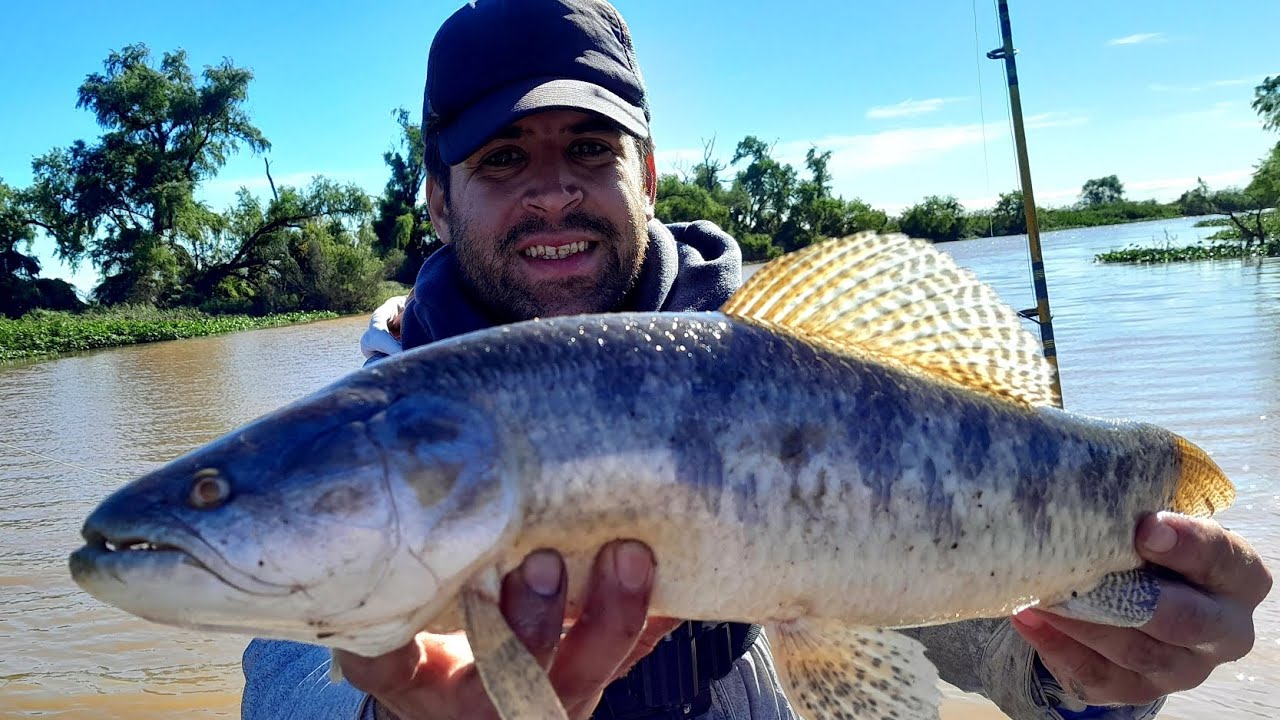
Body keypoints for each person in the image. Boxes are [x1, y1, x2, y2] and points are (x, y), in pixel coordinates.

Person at [241, 1, 1272, 718]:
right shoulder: (372, 417)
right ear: (436, 197)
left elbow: (965, 631)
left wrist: (1100, 669)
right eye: (502, 159)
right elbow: (285, 652)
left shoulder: (791, 365)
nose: (551, 194)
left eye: (588, 150)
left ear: (645, 171)